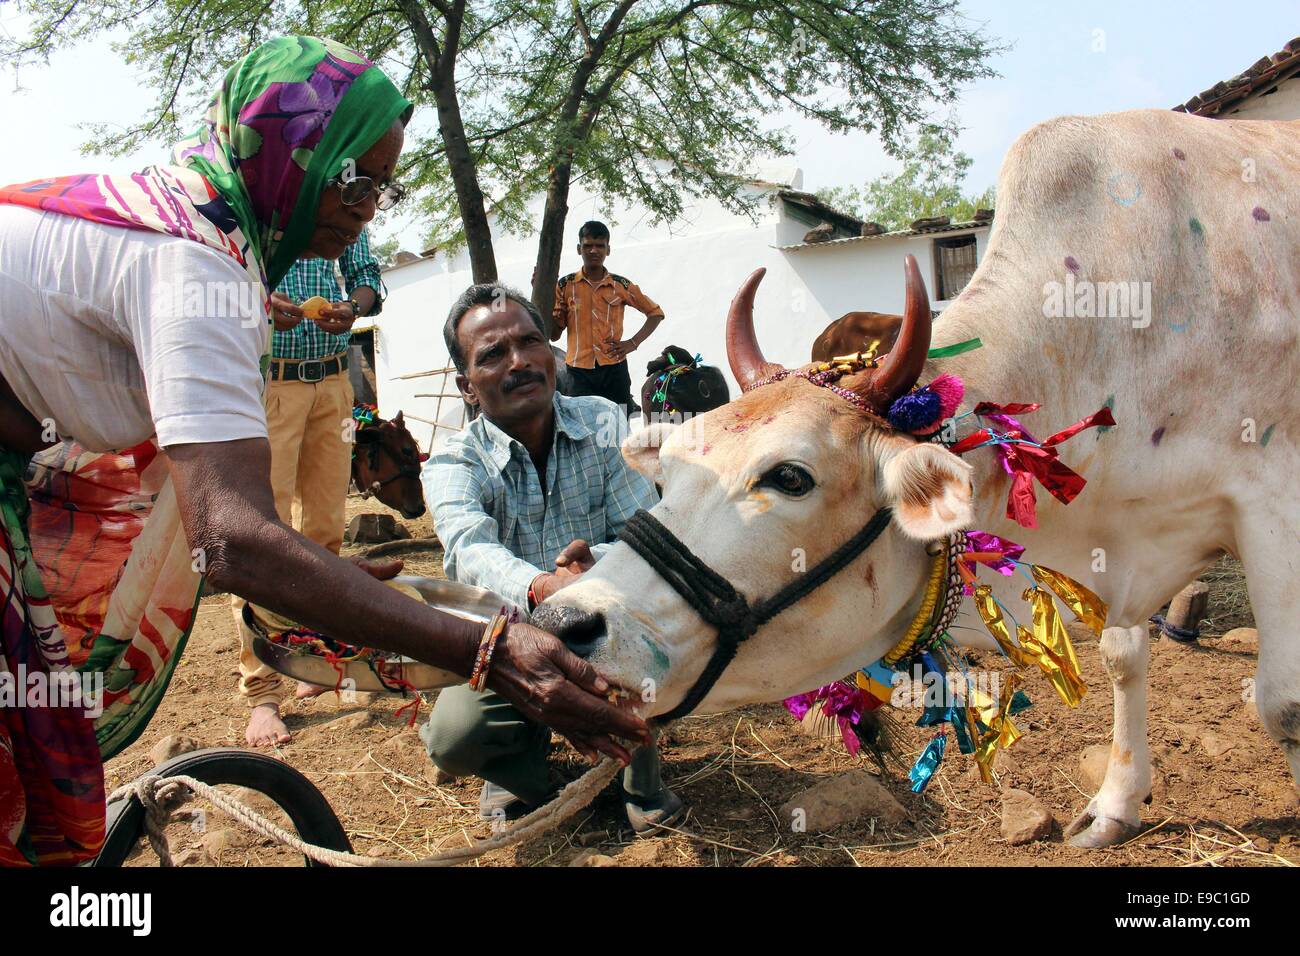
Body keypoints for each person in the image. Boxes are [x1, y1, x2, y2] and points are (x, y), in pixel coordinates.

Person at [0, 35, 647, 867]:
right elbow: (230, 540)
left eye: (385, 183)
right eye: (355, 178)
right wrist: (489, 651)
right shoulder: (194, 266)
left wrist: (327, 586)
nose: (372, 205)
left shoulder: (204, 232)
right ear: (289, 156)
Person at [421, 283, 685, 833]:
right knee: (454, 738)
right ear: (468, 387)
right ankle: (516, 769)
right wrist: (542, 587)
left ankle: (640, 776)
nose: (519, 362)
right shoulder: (451, 458)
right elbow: (468, 550)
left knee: (641, 623)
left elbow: (644, 531)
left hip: (603, 617)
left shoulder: (605, 421)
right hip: (506, 638)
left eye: (530, 341)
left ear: (552, 351)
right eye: (492, 354)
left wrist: (595, 569)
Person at [236, 230, 384, 748]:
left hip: (334, 387)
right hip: (272, 384)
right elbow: (223, 283)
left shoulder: (346, 212)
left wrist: (350, 306)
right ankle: (263, 694)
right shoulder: (261, 214)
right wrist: (260, 302)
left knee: (325, 531)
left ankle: (316, 661)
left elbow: (368, 279)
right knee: (264, 536)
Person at [551, 221, 664, 414]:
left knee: (619, 424)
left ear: (608, 250)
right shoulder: (565, 285)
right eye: (588, 246)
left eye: (600, 246)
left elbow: (655, 314)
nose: (593, 251)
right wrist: (544, 291)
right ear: (579, 249)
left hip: (614, 369)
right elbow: (554, 335)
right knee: (581, 426)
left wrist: (632, 343)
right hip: (578, 373)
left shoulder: (621, 285)